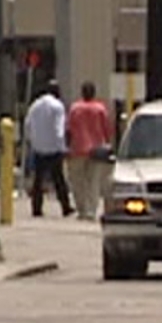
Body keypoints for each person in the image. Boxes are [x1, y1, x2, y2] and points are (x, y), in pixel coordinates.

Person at [66, 81, 115, 221]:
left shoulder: (75, 108)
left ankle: (81, 209)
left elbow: (68, 130)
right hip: (97, 150)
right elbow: (108, 130)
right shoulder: (100, 109)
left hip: (77, 149)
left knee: (77, 181)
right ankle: (91, 211)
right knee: (93, 181)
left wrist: (68, 147)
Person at [23, 80, 72, 218]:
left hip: (38, 147)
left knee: (38, 180)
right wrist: (62, 147)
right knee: (58, 179)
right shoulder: (58, 106)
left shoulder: (35, 105)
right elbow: (59, 128)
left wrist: (31, 141)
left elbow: (27, 124)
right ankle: (65, 206)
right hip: (53, 148)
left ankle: (36, 208)